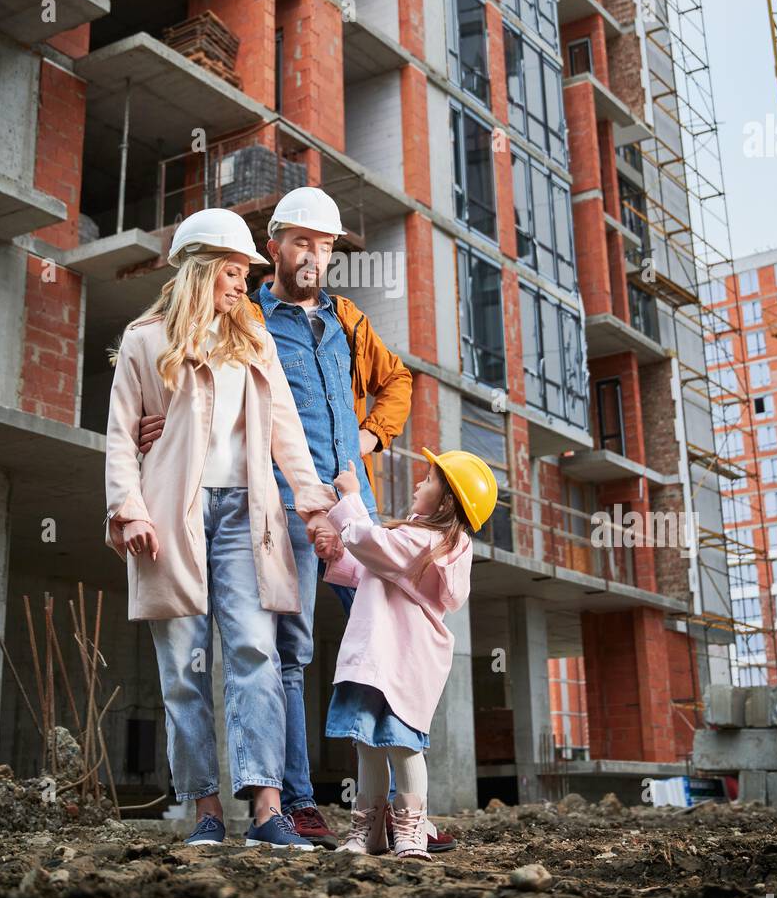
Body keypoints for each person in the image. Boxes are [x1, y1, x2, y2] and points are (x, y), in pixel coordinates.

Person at [137, 186, 419, 850]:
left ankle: (398, 808)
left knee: (383, 644)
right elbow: (198, 386)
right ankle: (295, 804)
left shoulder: (348, 320)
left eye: (323, 245)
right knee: (285, 653)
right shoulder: (246, 317)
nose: (313, 256)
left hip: (352, 504)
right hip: (274, 504)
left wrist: (371, 440)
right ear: (274, 249)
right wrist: (165, 426)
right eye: (301, 242)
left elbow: (398, 382)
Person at [103, 208, 339, 851]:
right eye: (232, 272)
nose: (243, 284)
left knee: (255, 652)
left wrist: (314, 508)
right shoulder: (145, 339)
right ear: (201, 270)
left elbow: (286, 433)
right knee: (181, 665)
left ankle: (267, 809)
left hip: (246, 516)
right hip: (169, 518)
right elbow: (122, 434)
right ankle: (204, 809)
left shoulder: (253, 341)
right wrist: (129, 511)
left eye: (245, 273)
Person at [313, 448, 497, 858]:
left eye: (429, 479)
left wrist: (350, 498)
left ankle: (408, 830)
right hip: (383, 660)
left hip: (394, 660)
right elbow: (374, 567)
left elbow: (371, 542)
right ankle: (370, 832)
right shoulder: (419, 541)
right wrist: (341, 555)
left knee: (400, 743)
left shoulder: (432, 541)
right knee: (369, 742)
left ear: (448, 500)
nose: (419, 483)